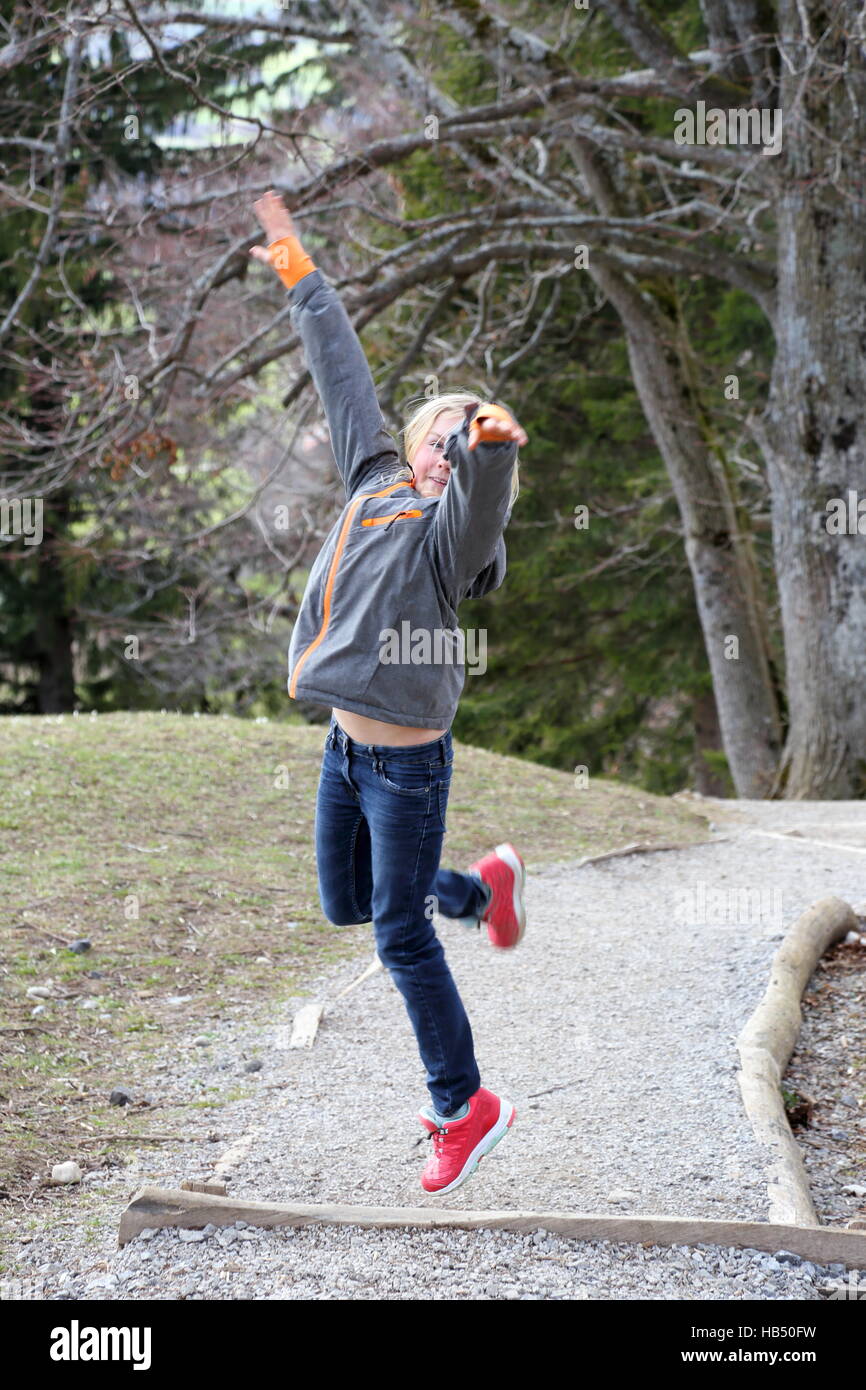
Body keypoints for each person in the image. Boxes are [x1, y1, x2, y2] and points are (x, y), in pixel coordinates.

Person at [250, 190, 529, 1196]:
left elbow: (480, 506)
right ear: (409, 440)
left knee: (394, 930)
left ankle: (463, 1106)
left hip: (406, 764)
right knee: (346, 902)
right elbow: (340, 369)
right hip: (342, 750)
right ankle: (477, 888)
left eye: (461, 442)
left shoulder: (453, 543)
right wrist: (295, 267)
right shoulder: (371, 483)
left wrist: (489, 452)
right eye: (440, 430)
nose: (445, 446)